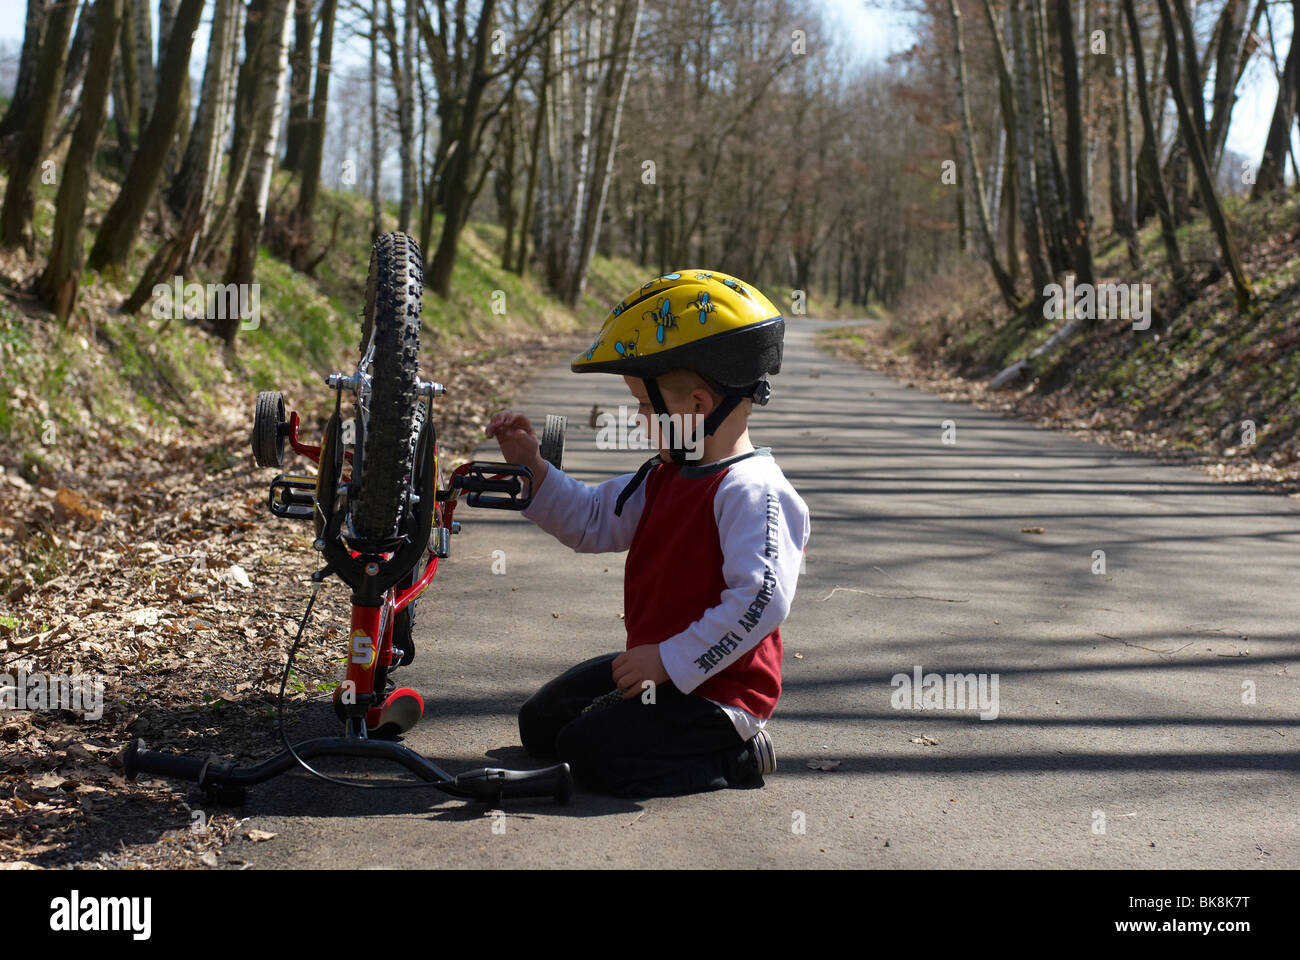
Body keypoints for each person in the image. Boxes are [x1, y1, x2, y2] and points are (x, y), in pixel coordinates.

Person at [485, 269, 810, 798]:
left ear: (698, 407)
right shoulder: (666, 473)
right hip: (661, 672)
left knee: (589, 754)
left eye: (643, 404)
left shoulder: (754, 491)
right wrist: (535, 470)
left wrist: (669, 659)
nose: (638, 419)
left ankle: (739, 755)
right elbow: (593, 519)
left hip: (719, 695)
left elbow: (761, 600)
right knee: (541, 725)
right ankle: (636, 729)